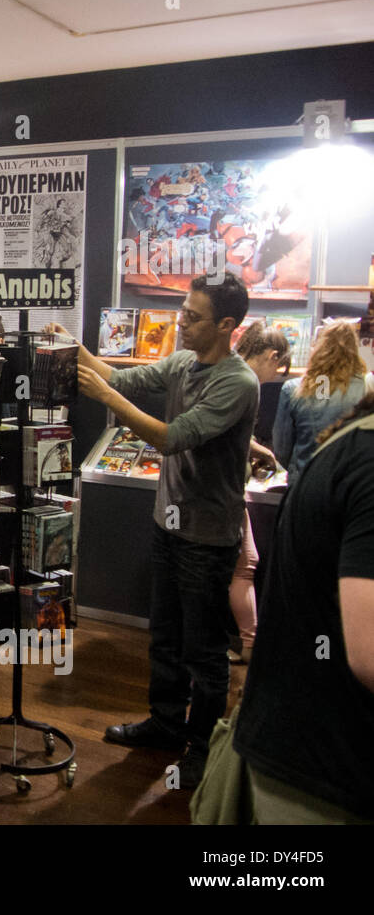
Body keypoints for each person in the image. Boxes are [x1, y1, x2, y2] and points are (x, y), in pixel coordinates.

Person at [52, 273, 258, 788]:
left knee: (203, 651)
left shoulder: (238, 382)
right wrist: (76, 350)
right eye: (183, 311)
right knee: (164, 637)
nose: (181, 322)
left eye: (193, 316)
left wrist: (107, 399)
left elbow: (171, 438)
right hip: (170, 525)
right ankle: (166, 725)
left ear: (227, 325)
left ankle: (201, 748)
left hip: (208, 538)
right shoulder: (185, 362)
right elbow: (122, 381)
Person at [232, 390, 374, 822]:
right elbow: (368, 654)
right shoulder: (365, 465)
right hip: (327, 771)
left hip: (304, 750)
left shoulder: (349, 447)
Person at [225, 321, 292, 664]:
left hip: (225, 492)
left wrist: (257, 450)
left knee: (244, 564)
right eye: (277, 368)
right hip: (224, 493)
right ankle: (246, 645)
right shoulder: (245, 382)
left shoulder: (234, 375)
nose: (275, 377)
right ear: (271, 354)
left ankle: (248, 645)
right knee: (241, 565)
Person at [273, 321, 374, 482]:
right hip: (350, 486)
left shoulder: (293, 388)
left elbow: (281, 450)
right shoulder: (368, 387)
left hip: (305, 484)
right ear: (354, 351)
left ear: (319, 348)